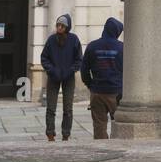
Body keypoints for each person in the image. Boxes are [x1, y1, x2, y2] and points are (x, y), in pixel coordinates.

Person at [41, 13, 82, 142]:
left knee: (68, 108)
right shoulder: (51, 40)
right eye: (58, 25)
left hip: (68, 77)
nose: (59, 27)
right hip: (53, 77)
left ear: (67, 27)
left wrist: (71, 70)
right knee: (51, 107)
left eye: (62, 26)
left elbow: (79, 59)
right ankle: (50, 133)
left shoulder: (74, 40)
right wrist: (51, 70)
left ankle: (66, 134)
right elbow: (44, 58)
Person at [81, 17, 124, 140]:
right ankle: (117, 149)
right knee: (119, 124)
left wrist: (90, 85)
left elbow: (84, 69)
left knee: (99, 125)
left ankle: (102, 149)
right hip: (116, 92)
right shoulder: (122, 48)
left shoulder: (92, 46)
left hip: (97, 91)